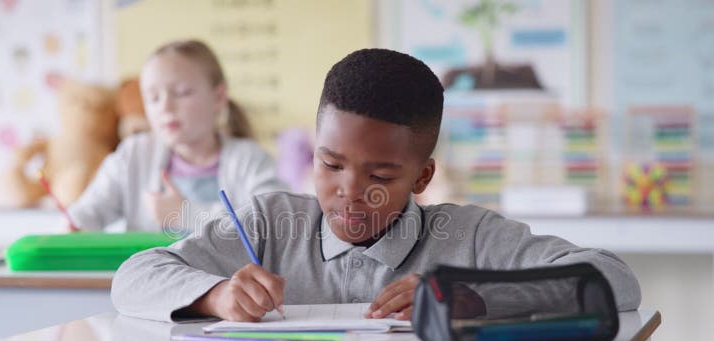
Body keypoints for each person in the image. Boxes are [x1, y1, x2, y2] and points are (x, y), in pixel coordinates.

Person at [110, 48, 641, 322]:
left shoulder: (468, 235)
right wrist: (215, 295)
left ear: (423, 176)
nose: (350, 190)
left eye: (382, 176)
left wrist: (471, 295)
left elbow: (613, 280)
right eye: (330, 164)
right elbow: (134, 278)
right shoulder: (274, 224)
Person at [67, 40, 287, 233]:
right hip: (152, 279)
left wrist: (186, 214)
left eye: (182, 93)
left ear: (219, 97)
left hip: (227, 280)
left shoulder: (251, 161)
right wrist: (72, 226)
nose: (165, 107)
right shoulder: (133, 155)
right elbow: (87, 213)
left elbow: (275, 228)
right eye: (153, 98)